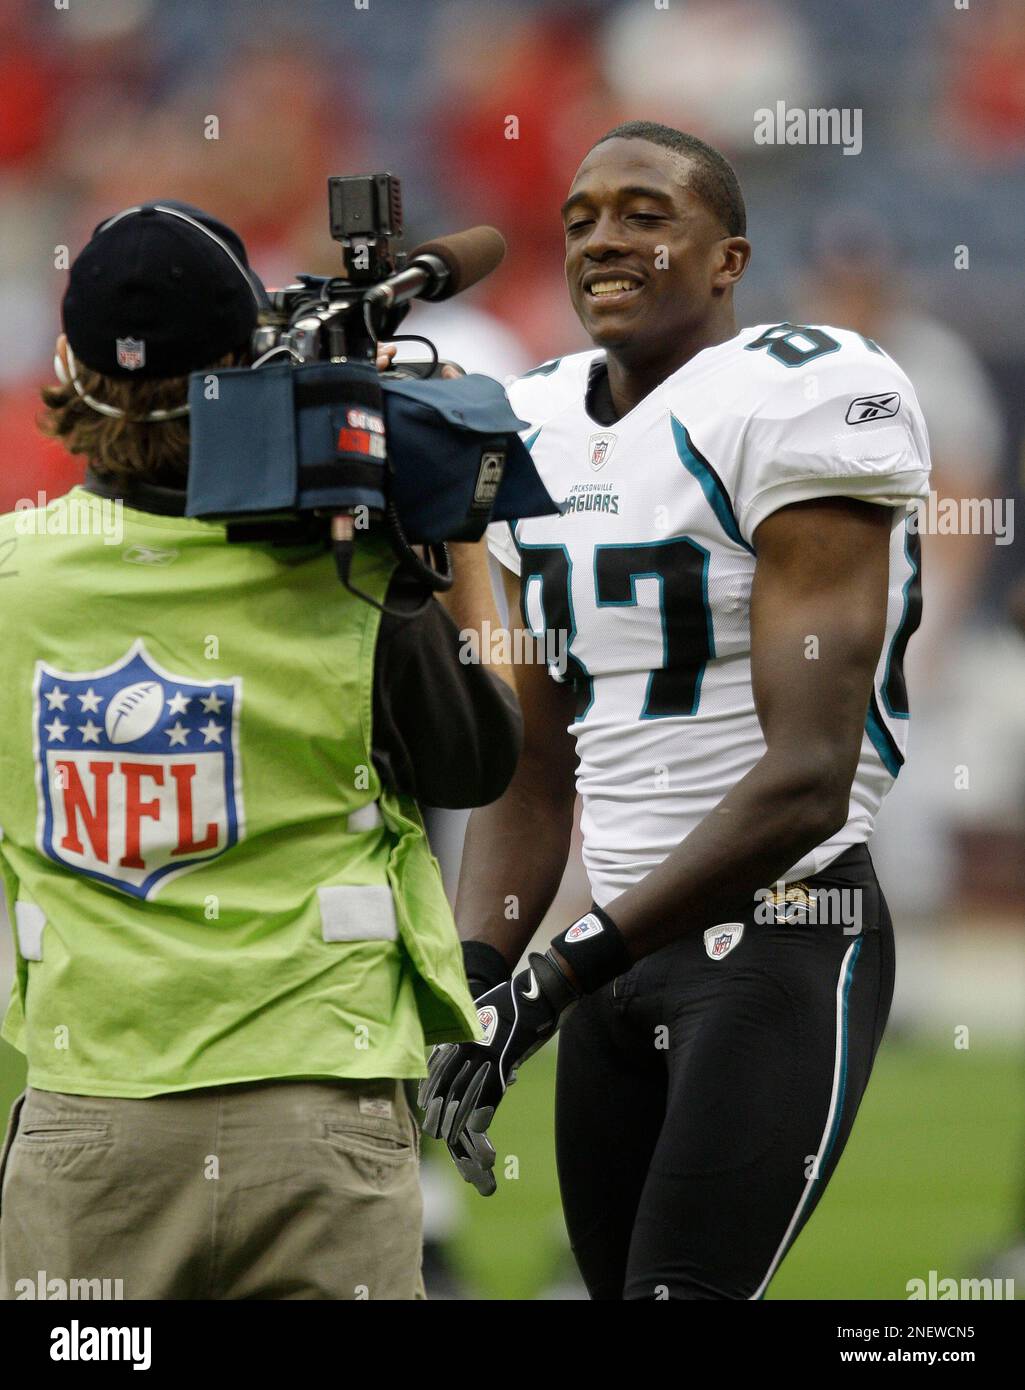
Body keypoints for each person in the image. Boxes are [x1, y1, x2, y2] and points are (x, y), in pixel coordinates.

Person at [420, 121, 932, 1301]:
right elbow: (531, 764)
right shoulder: (531, 421)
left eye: (645, 214)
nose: (603, 239)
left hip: (780, 934)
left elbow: (808, 775)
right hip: (613, 962)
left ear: (727, 260)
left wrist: (560, 971)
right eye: (581, 218)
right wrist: (483, 971)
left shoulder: (804, 394)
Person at [0, 200, 520, 1301]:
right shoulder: (352, 575)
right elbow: (480, 759)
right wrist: (447, 533)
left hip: (94, 1111)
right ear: (250, 363)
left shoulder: (13, 577)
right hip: (317, 1110)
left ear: (68, 364)